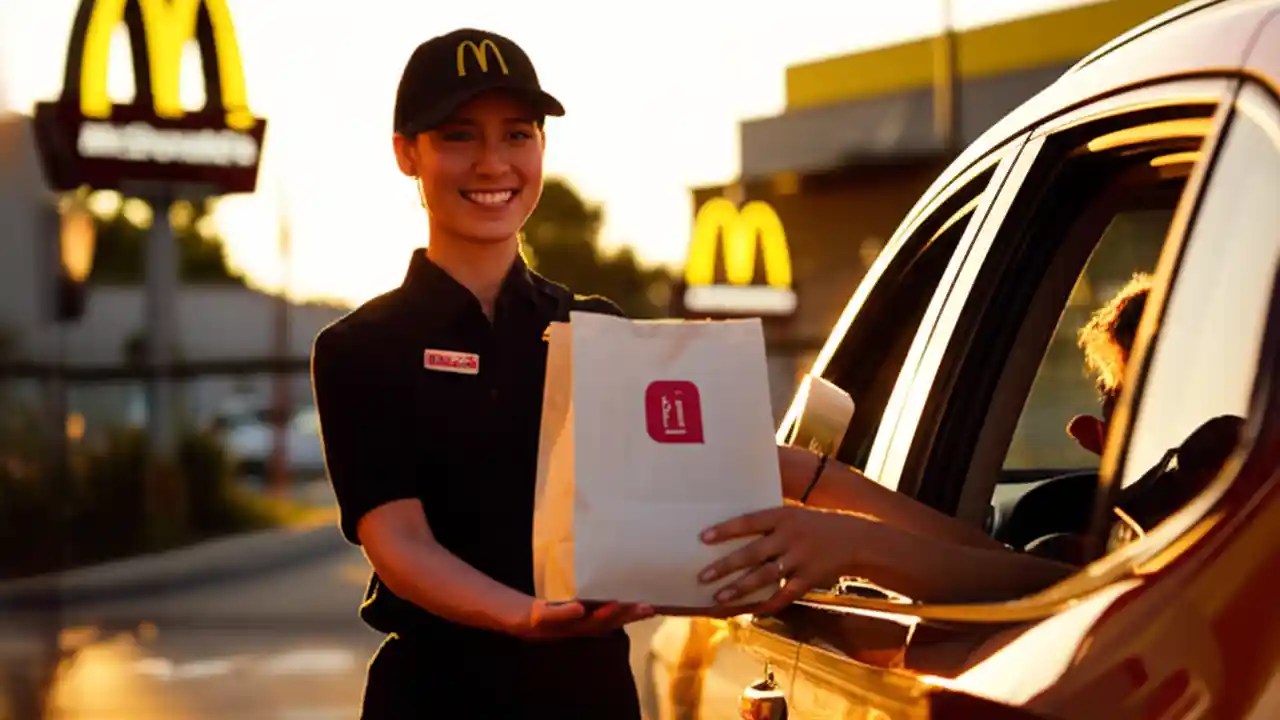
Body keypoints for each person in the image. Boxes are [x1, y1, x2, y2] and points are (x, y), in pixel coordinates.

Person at [310, 29, 651, 718]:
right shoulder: (362, 347)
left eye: (518, 135)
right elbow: (398, 540)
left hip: (589, 693)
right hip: (437, 694)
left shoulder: (599, 328)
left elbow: (672, 477)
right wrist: (522, 615)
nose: (493, 163)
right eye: (460, 136)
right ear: (408, 153)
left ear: (543, 148)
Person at [697, 273, 1156, 612]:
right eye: (1113, 399)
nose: (1109, 418)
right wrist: (821, 481)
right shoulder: (1133, 523)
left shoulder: (1195, 511)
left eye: (1121, 396)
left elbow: (1064, 591)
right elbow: (998, 566)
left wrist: (854, 544)